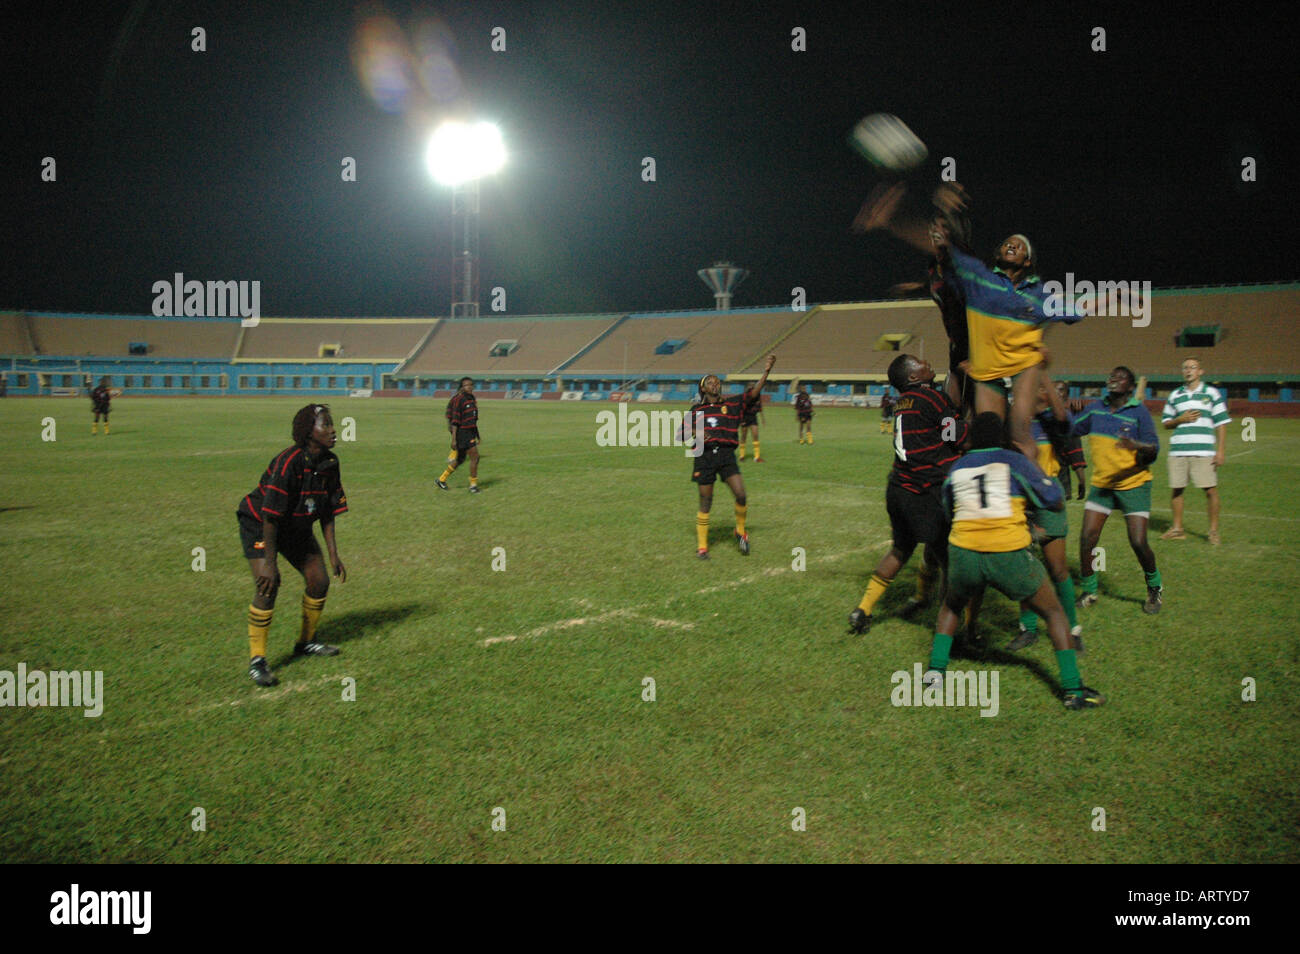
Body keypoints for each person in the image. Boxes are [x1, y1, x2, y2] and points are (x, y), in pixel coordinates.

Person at [855, 182, 1083, 460]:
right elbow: (939, 278)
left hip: (979, 351)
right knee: (957, 418)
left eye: (941, 227)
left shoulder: (963, 261)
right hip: (958, 350)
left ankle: (1014, 474)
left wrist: (897, 221)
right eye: (933, 227)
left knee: (981, 425)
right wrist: (916, 287)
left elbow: (1012, 306)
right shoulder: (936, 267)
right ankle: (962, 469)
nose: (934, 232)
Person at [924, 412, 1104, 709]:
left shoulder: (957, 468)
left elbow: (948, 510)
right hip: (1006, 553)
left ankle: (934, 673)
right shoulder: (1014, 461)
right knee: (1055, 613)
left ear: (970, 437)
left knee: (951, 605)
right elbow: (1054, 500)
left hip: (964, 551)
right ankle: (1073, 689)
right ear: (1004, 438)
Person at [849, 353, 967, 634]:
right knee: (948, 557)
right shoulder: (932, 399)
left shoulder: (902, 402)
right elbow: (955, 436)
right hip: (924, 490)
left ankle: (863, 609)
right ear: (914, 377)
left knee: (901, 549)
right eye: (922, 363)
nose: (928, 363)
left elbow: (941, 414)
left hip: (898, 488)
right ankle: (949, 623)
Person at [237, 404, 348, 687]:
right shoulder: (289, 463)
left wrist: (334, 554)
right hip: (261, 523)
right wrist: (270, 564)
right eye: (326, 425)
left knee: (319, 580)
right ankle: (257, 660)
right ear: (307, 432)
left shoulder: (330, 463)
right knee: (268, 584)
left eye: (332, 424)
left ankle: (306, 642)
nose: (333, 430)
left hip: (295, 525)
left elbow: (327, 511)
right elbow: (270, 517)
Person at [1009, 359, 1085, 652]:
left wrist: (1041, 370)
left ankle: (1073, 627)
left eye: (1043, 389)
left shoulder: (1054, 423)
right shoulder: (1016, 423)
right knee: (1023, 568)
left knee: (1057, 568)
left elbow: (1060, 413)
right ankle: (1027, 628)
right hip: (1019, 499)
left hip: (1046, 499)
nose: (1036, 392)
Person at [1073, 367, 1163, 613]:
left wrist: (1135, 445)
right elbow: (1070, 430)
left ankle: (1154, 588)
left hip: (1133, 484)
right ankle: (1090, 591)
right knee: (1087, 538)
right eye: (1111, 375)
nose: (1113, 379)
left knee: (1137, 540)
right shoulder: (1094, 408)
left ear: (1131, 387)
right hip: (1103, 484)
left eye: (1120, 377)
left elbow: (1154, 449)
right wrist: (1065, 411)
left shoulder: (1139, 412)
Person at [690, 354, 776, 558]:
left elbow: (754, 394)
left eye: (716, 382)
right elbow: (684, 431)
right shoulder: (696, 409)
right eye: (710, 382)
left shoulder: (733, 404)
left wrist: (766, 371)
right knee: (706, 501)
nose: (714, 384)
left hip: (727, 456)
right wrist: (698, 433)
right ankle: (702, 547)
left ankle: (740, 530)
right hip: (705, 457)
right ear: (703, 388)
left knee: (741, 494)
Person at [1160, 358, 1230, 545]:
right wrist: (1180, 419)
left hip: (1204, 450)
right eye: (1185, 367)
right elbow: (1166, 423)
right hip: (1178, 450)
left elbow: (1221, 423)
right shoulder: (1175, 395)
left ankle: (1213, 531)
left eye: (1193, 367)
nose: (1188, 370)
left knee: (1210, 490)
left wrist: (1220, 451)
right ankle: (1177, 529)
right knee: (1177, 489)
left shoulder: (1211, 393)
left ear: (1201, 371)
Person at [438, 377, 481, 493]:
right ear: (462, 387)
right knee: (475, 457)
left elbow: (473, 419)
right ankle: (473, 486)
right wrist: (453, 439)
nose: (470, 387)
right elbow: (455, 421)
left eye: (471, 384)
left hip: (470, 432)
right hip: (462, 433)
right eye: (467, 385)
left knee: (460, 459)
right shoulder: (459, 399)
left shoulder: (471, 399)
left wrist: (477, 435)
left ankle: (441, 479)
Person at [1053, 381, 1088, 499]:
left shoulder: (1068, 422)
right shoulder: (1038, 417)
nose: (1056, 392)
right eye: (1053, 389)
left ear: (1067, 395)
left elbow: (1075, 453)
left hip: (1059, 485)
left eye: (1060, 389)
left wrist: (1082, 482)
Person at [738, 386, 765, 462]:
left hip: (753, 417)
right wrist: (741, 420)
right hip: (745, 417)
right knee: (743, 436)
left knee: (755, 435)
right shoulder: (745, 397)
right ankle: (742, 456)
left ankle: (757, 457)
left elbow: (760, 407)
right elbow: (740, 409)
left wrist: (763, 419)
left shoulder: (758, 396)